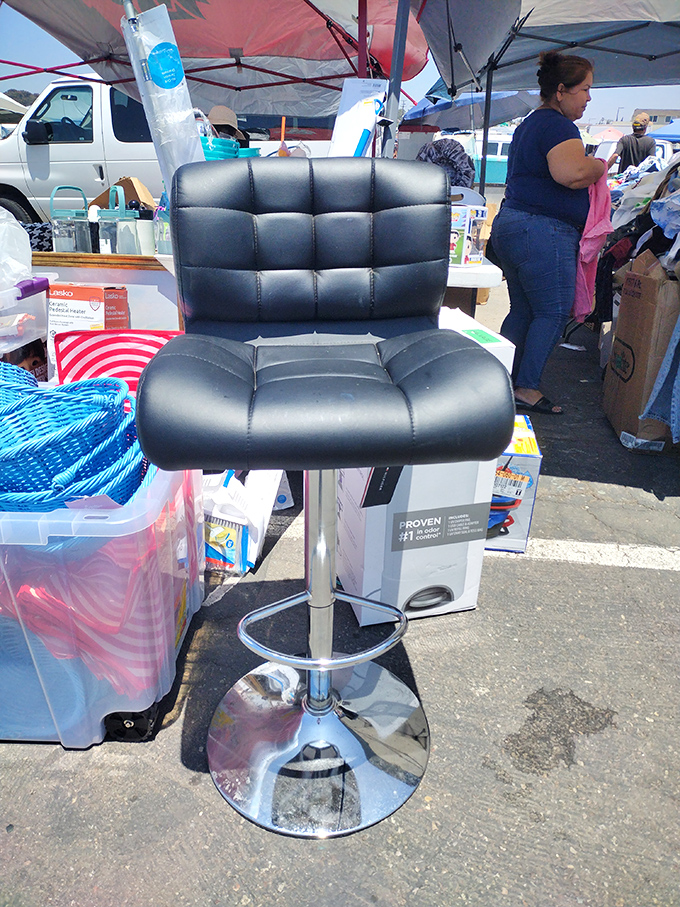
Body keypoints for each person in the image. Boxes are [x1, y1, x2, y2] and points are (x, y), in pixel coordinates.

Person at [489, 51, 606, 415]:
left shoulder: (530, 123)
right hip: (541, 231)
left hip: (515, 225)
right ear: (561, 90)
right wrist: (600, 166)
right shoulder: (558, 127)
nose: (588, 98)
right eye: (585, 89)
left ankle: (498, 383)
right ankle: (525, 387)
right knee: (553, 312)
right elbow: (570, 174)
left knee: (524, 310)